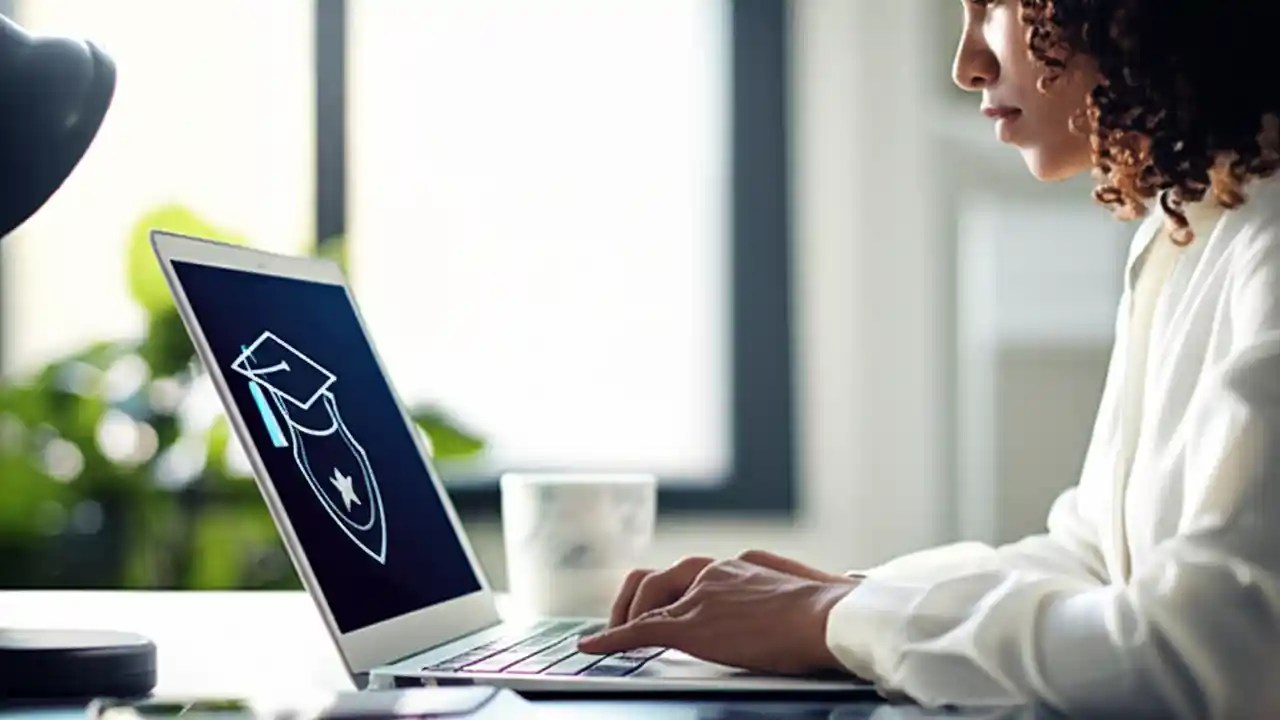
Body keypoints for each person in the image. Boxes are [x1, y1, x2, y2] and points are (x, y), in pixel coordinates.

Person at [578, 1, 1280, 716]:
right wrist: (842, 599)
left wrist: (831, 622)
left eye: (993, 8)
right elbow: (1095, 562)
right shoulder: (1191, 222)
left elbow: (1204, 656)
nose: (967, 64)